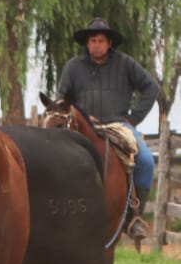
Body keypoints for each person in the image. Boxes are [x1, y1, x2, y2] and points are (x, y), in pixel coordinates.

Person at [57, 16, 160, 239]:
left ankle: (134, 218)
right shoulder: (73, 67)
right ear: (87, 43)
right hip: (83, 127)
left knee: (145, 161)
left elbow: (151, 87)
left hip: (119, 125)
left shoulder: (125, 63)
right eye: (93, 40)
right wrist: (81, 117)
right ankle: (56, 214)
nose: (97, 45)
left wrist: (134, 118)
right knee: (56, 161)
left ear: (109, 43)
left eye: (101, 41)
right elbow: (62, 99)